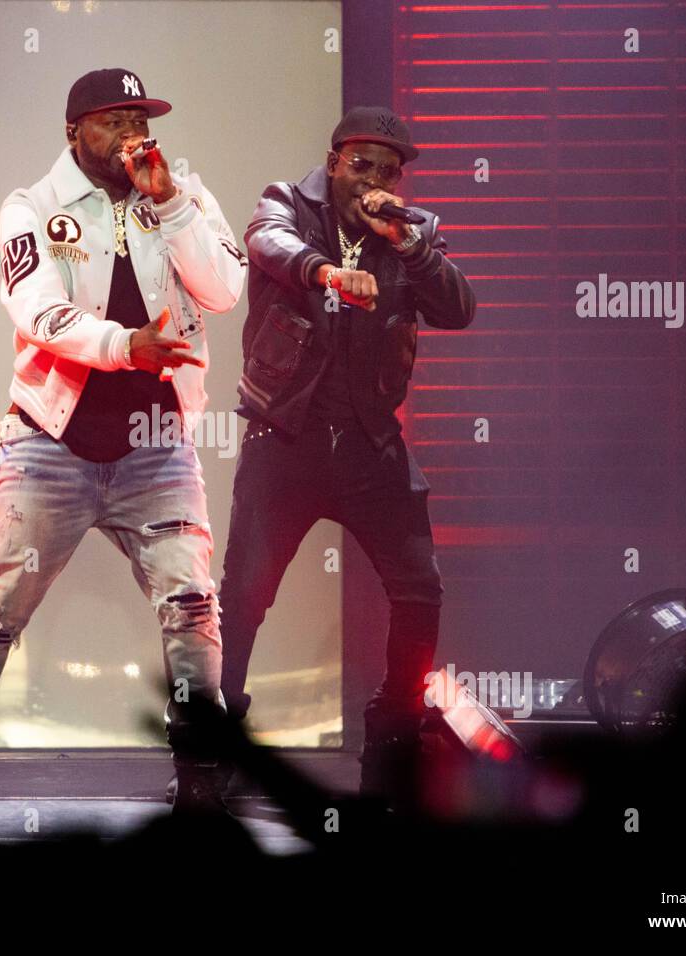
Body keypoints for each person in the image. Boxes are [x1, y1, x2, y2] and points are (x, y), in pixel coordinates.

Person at [0, 68, 246, 812]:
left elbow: (224, 291)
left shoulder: (181, 194)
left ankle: (197, 782)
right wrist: (127, 345)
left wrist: (169, 201)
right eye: (114, 120)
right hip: (50, 445)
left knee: (192, 607)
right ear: (74, 132)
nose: (134, 133)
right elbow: (38, 312)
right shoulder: (31, 207)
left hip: (156, 446)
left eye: (141, 118)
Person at [219, 106, 476, 797]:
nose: (375, 179)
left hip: (369, 444)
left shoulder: (410, 233)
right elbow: (265, 243)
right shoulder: (289, 205)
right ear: (334, 163)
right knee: (243, 599)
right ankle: (216, 742)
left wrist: (414, 247)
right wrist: (327, 273)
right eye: (362, 164)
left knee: (420, 590)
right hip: (287, 440)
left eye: (390, 171)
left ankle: (391, 734)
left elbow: (458, 308)